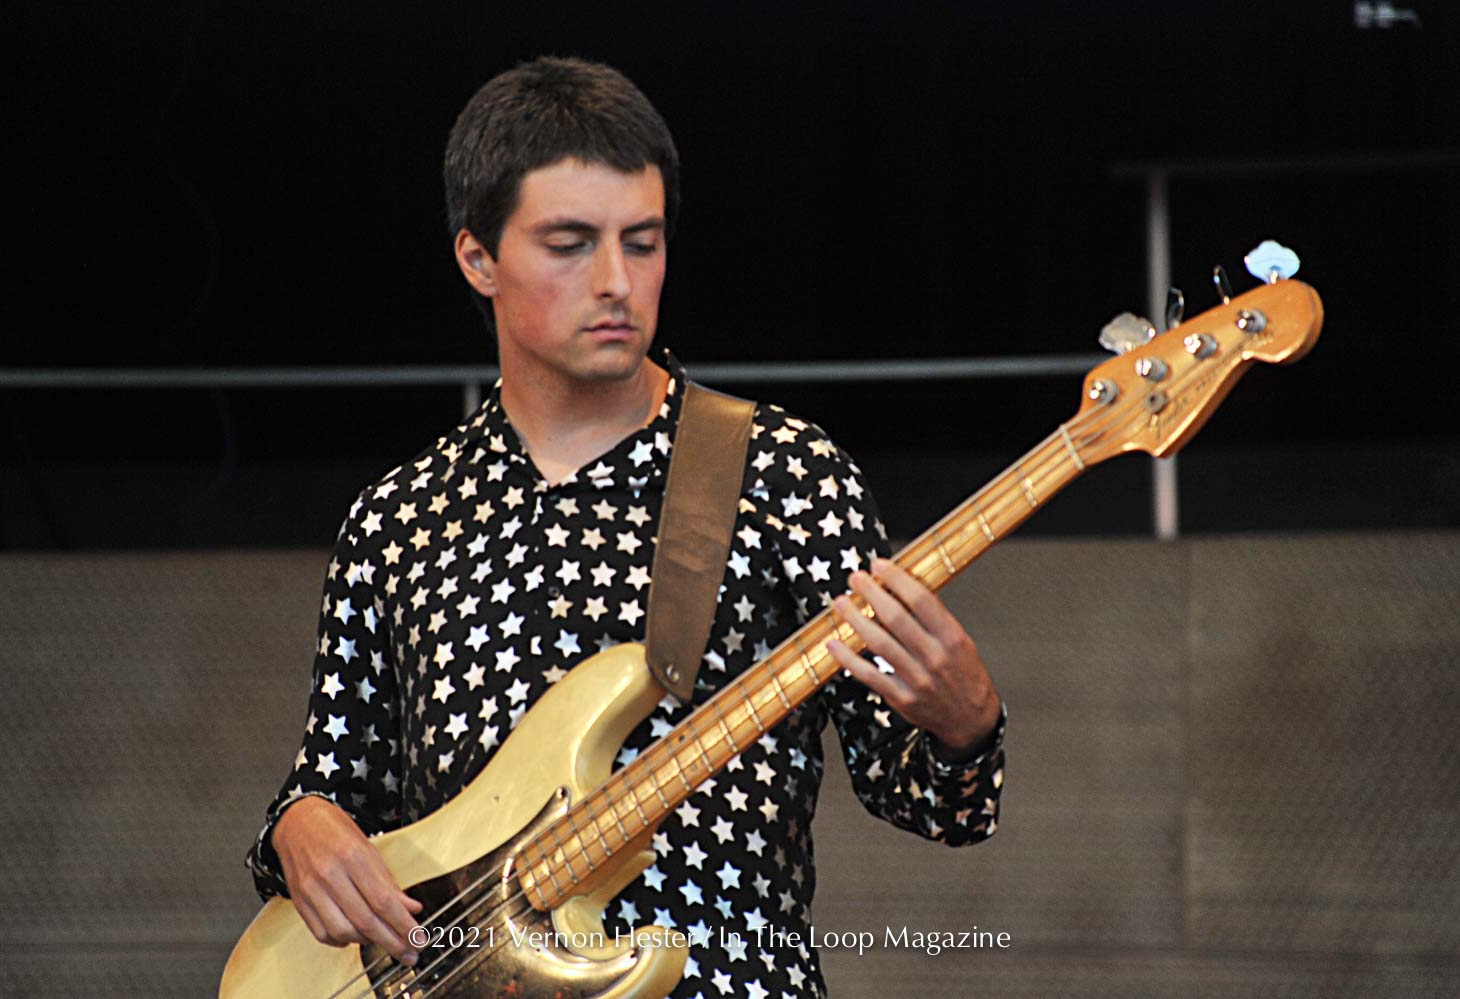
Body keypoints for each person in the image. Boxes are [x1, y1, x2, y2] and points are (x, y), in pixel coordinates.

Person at [246, 55, 1005, 998]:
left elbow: (931, 803)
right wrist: (300, 825)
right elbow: (332, 784)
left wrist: (965, 725)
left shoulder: (782, 474)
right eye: (569, 243)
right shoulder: (399, 518)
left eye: (641, 242)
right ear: (476, 258)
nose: (616, 280)